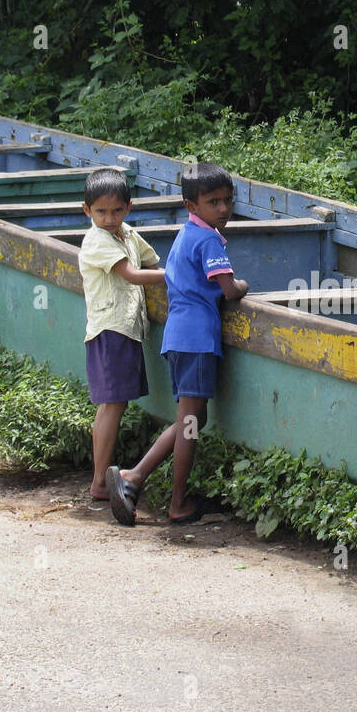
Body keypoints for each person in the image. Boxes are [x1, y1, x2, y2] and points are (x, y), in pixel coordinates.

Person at [107, 162, 248, 525]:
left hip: (178, 337)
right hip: (197, 339)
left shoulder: (187, 233)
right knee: (190, 421)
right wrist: (245, 286)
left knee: (191, 417)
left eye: (227, 201)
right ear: (191, 205)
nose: (223, 209)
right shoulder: (208, 239)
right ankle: (177, 503)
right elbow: (230, 290)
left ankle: (134, 477)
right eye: (213, 202)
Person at [78, 168, 166, 506]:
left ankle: (100, 479)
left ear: (128, 208)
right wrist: (179, 276)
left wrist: (165, 270)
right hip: (111, 330)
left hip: (125, 329)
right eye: (100, 211)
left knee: (112, 406)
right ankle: (100, 482)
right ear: (87, 211)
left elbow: (149, 260)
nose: (109, 218)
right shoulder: (97, 240)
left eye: (116, 210)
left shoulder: (125, 233)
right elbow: (132, 274)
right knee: (112, 406)